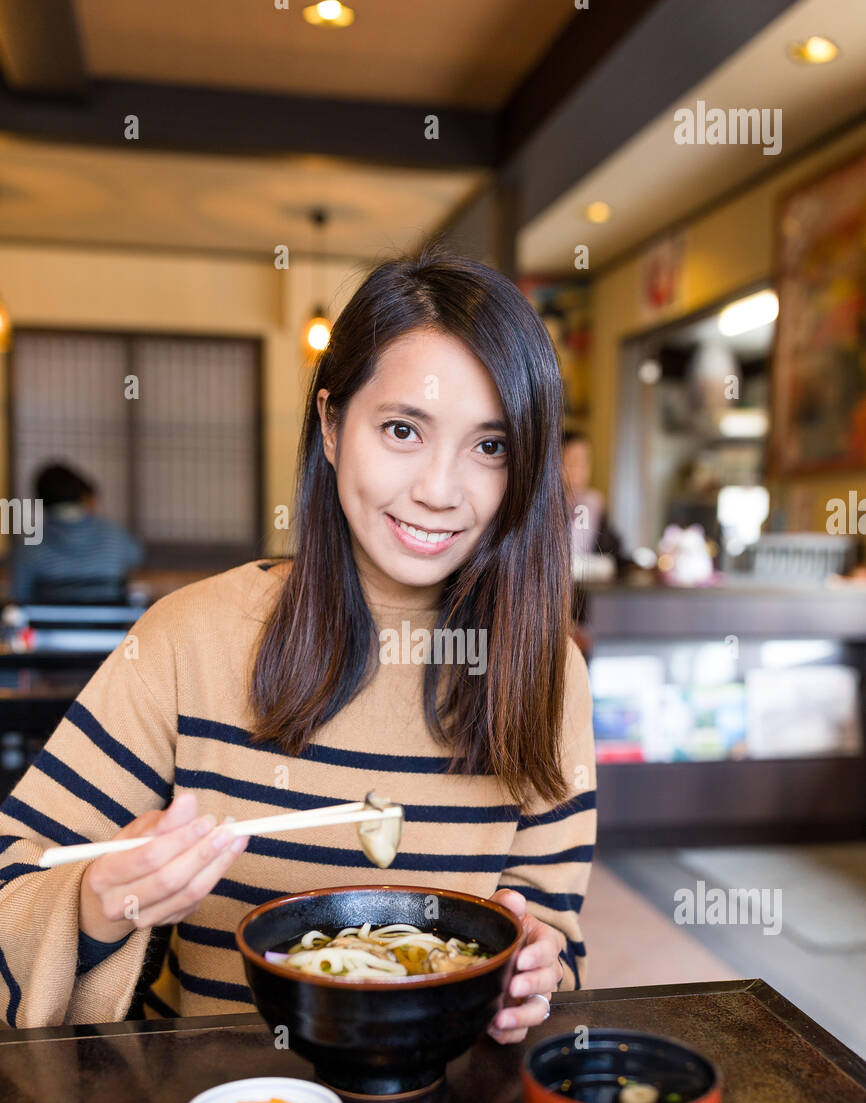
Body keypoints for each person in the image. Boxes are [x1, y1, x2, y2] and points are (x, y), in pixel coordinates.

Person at [0, 248, 597, 1036]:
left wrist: (535, 972)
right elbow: (18, 878)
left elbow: (553, 935)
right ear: (330, 425)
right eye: (401, 429)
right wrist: (97, 903)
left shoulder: (547, 671)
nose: (441, 490)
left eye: (491, 447)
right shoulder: (190, 640)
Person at [11, 461, 143, 604]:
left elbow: (20, 595)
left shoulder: (30, 546)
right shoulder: (115, 536)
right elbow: (136, 557)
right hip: (107, 624)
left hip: (49, 624)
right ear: (82, 497)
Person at [562, 430, 625, 572]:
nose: (579, 470)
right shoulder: (541, 505)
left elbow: (612, 552)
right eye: (571, 462)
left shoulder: (594, 503)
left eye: (584, 462)